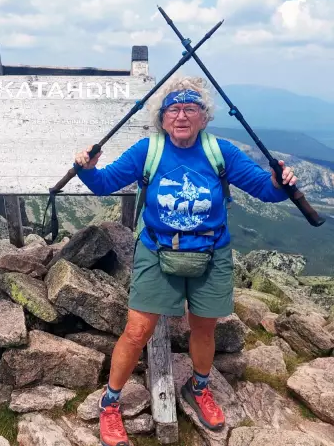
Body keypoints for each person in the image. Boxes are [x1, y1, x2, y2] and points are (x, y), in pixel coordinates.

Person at [73, 75, 297, 446]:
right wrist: (88, 168)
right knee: (137, 331)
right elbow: (104, 183)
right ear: (161, 118)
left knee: (204, 328)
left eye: (190, 108)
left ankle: (199, 387)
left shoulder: (220, 152)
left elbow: (265, 189)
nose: (181, 115)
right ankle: (110, 404)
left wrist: (278, 182)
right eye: (173, 109)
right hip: (157, 249)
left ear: (204, 117)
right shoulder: (148, 151)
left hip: (211, 252)